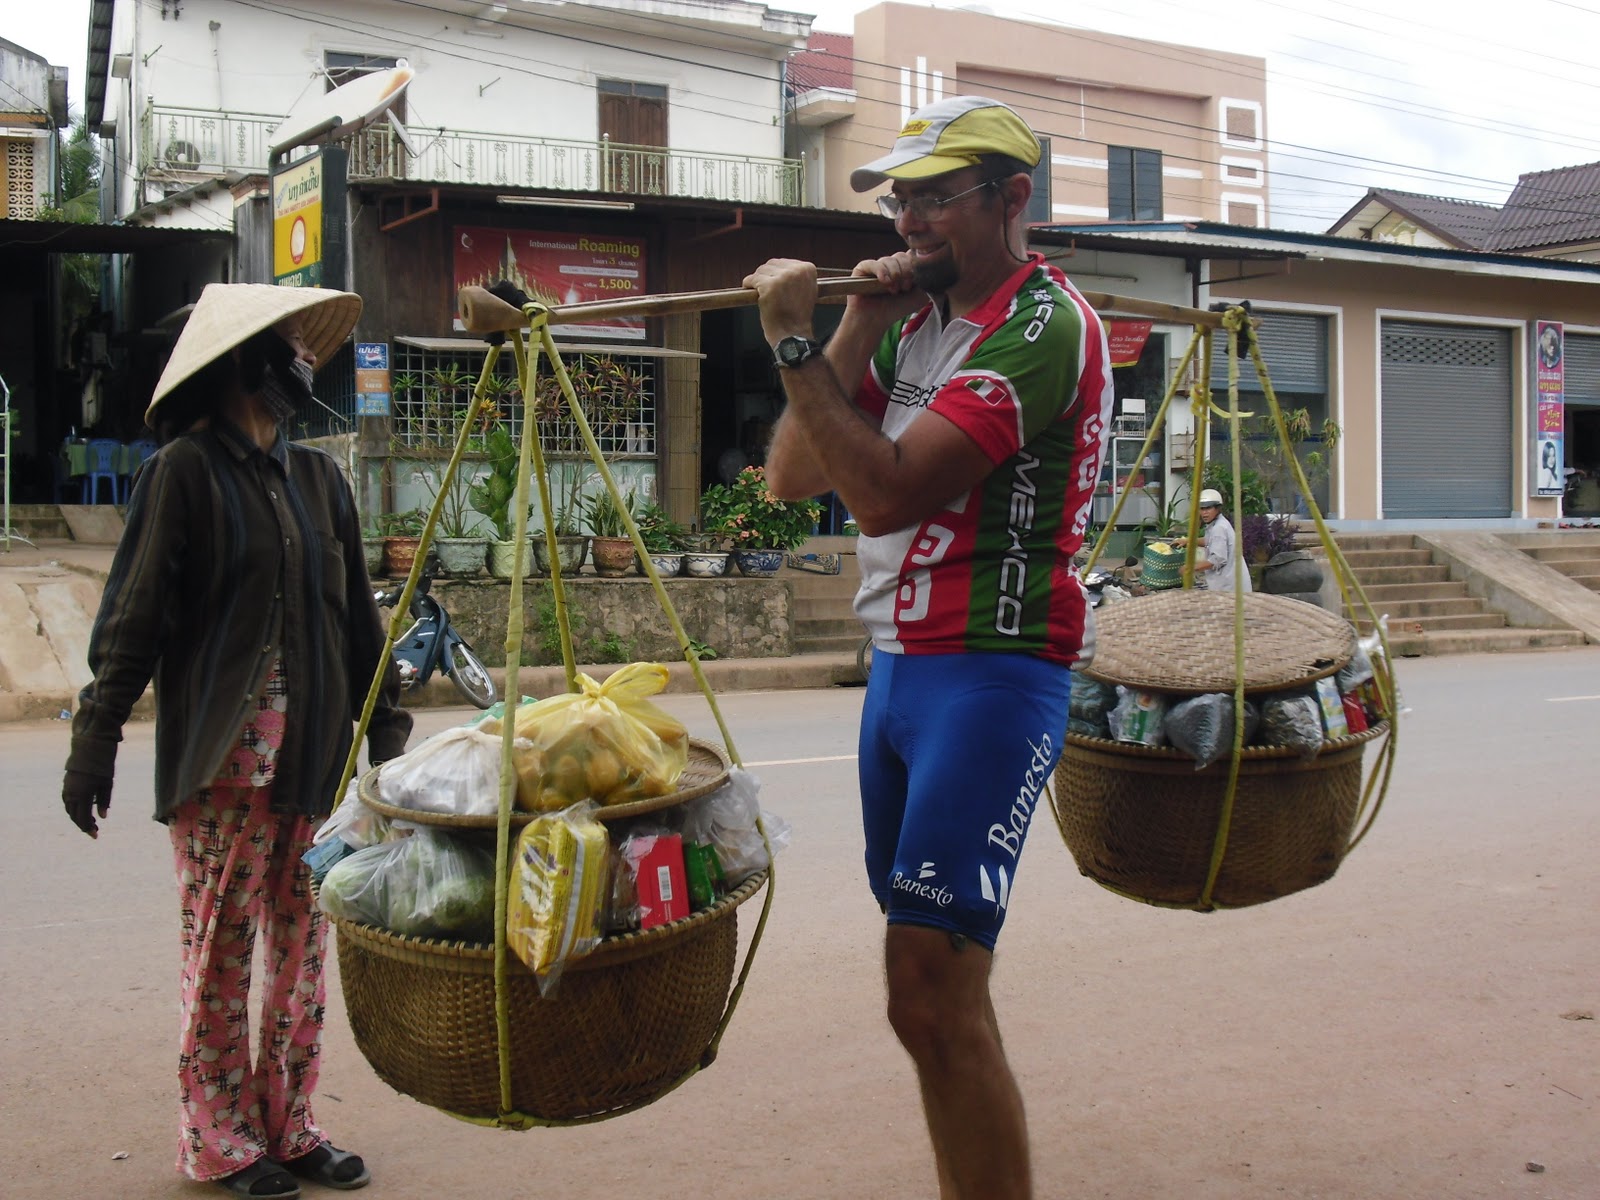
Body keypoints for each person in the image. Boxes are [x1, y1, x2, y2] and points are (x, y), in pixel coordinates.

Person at [745, 95, 1114, 1199]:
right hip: (898, 674)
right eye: (898, 197)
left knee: (926, 988)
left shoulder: (1041, 328)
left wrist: (792, 341)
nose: (907, 220)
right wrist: (849, 327)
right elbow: (793, 476)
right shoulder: (914, 327)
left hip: (990, 673)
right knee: (934, 992)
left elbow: (880, 491)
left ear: (1011, 200)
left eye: (933, 198)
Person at [60, 284, 412, 1199]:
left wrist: (389, 731)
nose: (302, 362)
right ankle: (217, 1140)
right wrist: (93, 742)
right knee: (221, 956)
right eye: (285, 349)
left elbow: (357, 625)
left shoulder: (318, 481)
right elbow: (131, 621)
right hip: (223, 767)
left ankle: (289, 1126)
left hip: (310, 766)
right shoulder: (182, 472)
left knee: (302, 956)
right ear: (242, 365)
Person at [1172, 487, 1251, 591]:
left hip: (1229, 586)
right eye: (1202, 509)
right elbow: (1210, 541)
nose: (1204, 513)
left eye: (1208, 508)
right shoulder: (1215, 524)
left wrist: (1190, 568)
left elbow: (1217, 559)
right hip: (1228, 583)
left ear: (1217, 509)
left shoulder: (1219, 528)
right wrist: (1188, 541)